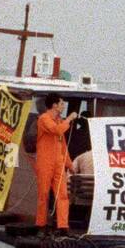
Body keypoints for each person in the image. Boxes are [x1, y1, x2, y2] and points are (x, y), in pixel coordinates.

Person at [35, 94, 77, 233]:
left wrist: (70, 165)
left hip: (58, 163)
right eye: (61, 103)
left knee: (63, 194)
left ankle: (62, 226)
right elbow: (56, 130)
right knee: (44, 194)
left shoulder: (59, 121)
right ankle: (41, 224)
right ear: (54, 105)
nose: (63, 106)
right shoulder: (44, 119)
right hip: (45, 162)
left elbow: (63, 145)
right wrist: (69, 119)